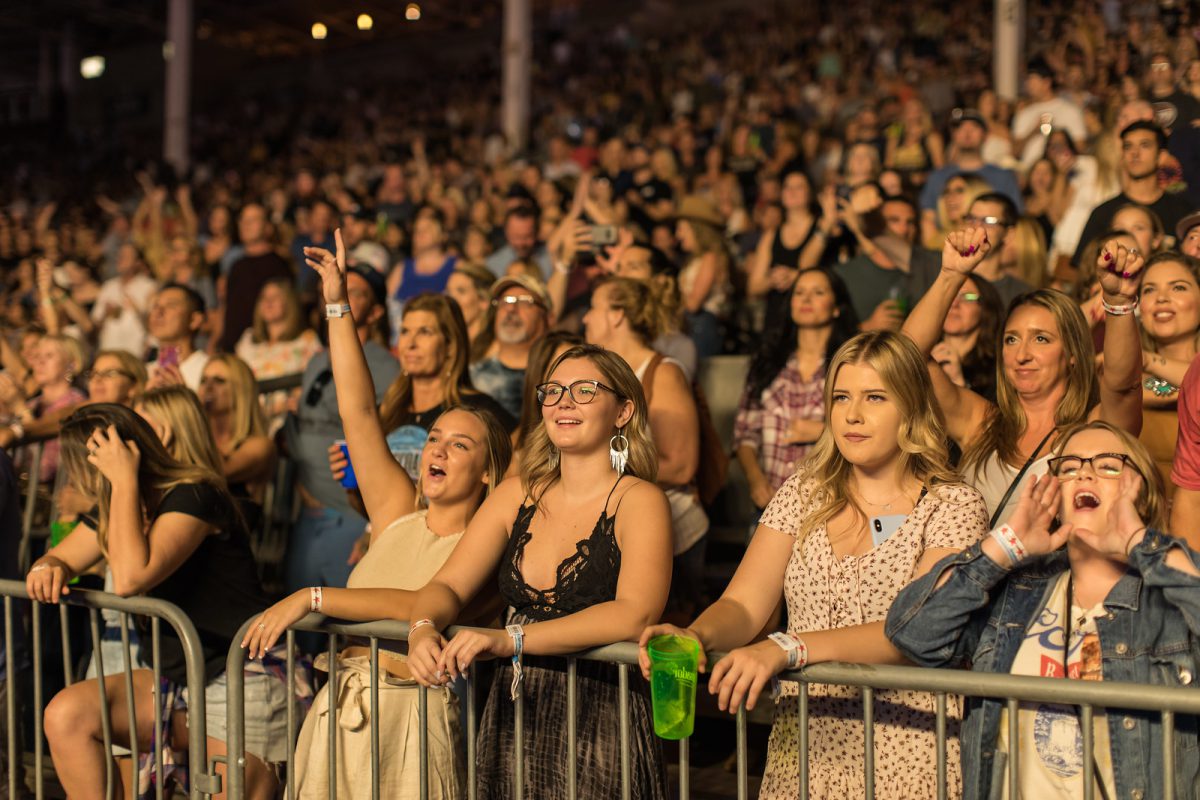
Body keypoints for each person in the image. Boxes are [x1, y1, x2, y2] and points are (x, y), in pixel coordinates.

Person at [639, 330, 989, 798]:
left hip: (907, 751)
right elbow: (744, 602)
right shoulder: (806, 490)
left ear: (911, 406)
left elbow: (919, 628)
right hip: (805, 749)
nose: (853, 414)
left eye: (875, 397)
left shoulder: (953, 506)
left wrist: (789, 647)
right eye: (841, 396)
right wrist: (696, 635)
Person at [241, 228, 512, 798]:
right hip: (339, 709)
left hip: (413, 721)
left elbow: (419, 606)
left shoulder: (485, 540)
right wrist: (338, 304)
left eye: (459, 445)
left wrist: (312, 599)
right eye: (435, 437)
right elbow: (359, 411)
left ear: (489, 472)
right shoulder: (396, 510)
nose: (437, 449)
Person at [405, 343, 672, 799]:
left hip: (600, 716)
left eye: (585, 391)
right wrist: (422, 627)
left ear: (624, 411)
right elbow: (448, 584)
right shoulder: (516, 494)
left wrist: (511, 639)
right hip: (516, 711)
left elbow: (635, 614)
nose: (564, 401)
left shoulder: (639, 500)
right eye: (553, 391)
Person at [886, 420, 1200, 800]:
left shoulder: (1165, 601)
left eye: (1108, 465)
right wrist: (1005, 546)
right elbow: (912, 631)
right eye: (1070, 467)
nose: (1085, 471)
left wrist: (1138, 541)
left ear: (1142, 493)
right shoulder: (1019, 591)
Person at [28, 404, 290, 800]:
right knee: (67, 715)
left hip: (240, 674)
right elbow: (61, 555)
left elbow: (132, 577)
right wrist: (50, 565)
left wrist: (123, 481)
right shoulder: (123, 504)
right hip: (178, 677)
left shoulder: (195, 492)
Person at [902, 226, 1144, 526]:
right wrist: (950, 274)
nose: (1022, 354)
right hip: (972, 570)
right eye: (1011, 339)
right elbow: (907, 357)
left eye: (1041, 339)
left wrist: (1119, 304)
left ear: (1071, 354)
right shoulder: (981, 423)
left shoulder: (1093, 428)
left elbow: (1123, 387)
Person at [583, 276, 709, 611]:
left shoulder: (662, 373)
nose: (585, 318)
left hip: (674, 532)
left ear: (617, 315)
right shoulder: (597, 374)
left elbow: (681, 466)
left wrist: (598, 473)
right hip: (620, 526)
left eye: (593, 308)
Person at [282, 247, 401, 600]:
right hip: (306, 513)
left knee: (340, 627)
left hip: (347, 512)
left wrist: (369, 525)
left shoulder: (385, 367)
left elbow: (386, 435)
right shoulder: (317, 360)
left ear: (377, 311)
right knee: (300, 637)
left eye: (357, 291)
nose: (345, 292)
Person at [734, 268, 860, 507]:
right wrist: (756, 481)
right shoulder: (768, 362)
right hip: (770, 501)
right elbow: (744, 434)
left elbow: (874, 429)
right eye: (799, 292)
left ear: (836, 307)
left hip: (831, 501)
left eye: (818, 292)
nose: (806, 299)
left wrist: (824, 432)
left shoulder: (850, 364)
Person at [1073, 122, 1192, 265]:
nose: (1134, 153)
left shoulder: (1183, 212)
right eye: (1128, 146)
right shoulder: (1103, 213)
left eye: (1145, 145)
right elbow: (1083, 267)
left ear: (1161, 156)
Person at [1134, 253, 1200, 499]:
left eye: (1178, 288)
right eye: (1149, 290)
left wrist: (1150, 360)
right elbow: (1134, 388)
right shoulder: (1131, 369)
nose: (1161, 298)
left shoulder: (1143, 363)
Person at [746, 168, 837, 333]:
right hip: (777, 319)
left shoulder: (825, 227)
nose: (792, 191)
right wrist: (773, 279)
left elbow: (814, 267)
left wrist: (794, 277)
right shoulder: (771, 235)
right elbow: (753, 286)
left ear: (810, 193)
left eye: (799, 187)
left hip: (813, 318)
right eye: (787, 186)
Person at [235, 278, 323, 429]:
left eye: (275, 297)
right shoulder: (248, 339)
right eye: (264, 297)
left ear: (289, 302)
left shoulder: (306, 341)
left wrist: (284, 405)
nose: (268, 302)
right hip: (249, 420)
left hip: (288, 422)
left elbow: (316, 380)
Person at [0, 334, 87, 483]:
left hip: (48, 498)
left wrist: (19, 408)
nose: (39, 361)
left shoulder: (76, 404)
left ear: (71, 364)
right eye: (37, 356)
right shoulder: (34, 404)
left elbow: (43, 469)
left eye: (49, 356)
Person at [468, 275, 552, 420]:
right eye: (504, 302)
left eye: (524, 302)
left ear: (547, 317)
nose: (511, 309)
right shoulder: (470, 374)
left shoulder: (556, 377)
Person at [920, 109, 1022, 222]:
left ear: (986, 135)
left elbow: (1015, 217)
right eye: (960, 128)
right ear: (953, 135)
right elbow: (927, 218)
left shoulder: (1003, 176)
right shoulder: (937, 177)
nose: (967, 133)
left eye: (974, 127)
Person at [218, 204, 292, 352]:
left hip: (263, 348)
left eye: (252, 220)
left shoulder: (278, 264)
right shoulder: (236, 265)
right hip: (233, 348)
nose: (245, 225)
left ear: (268, 227)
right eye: (243, 220)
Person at [387, 209, 458, 341]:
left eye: (427, 229)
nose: (420, 234)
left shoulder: (457, 266)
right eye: (417, 230)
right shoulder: (402, 268)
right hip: (401, 342)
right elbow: (388, 304)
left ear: (442, 235)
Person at [930, 276, 1003, 403]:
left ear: (985, 308)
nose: (954, 303)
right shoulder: (922, 351)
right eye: (951, 295)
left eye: (967, 297)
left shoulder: (997, 366)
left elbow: (993, 417)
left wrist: (958, 383)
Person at [676, 195, 732, 359]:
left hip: (701, 327)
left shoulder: (711, 258)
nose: (678, 235)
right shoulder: (695, 259)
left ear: (696, 229)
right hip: (693, 325)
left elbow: (693, 303)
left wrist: (668, 293)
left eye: (681, 228)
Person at [1012, 59, 1088, 171]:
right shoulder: (1023, 114)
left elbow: (1081, 148)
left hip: (1062, 173)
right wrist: (1033, 131)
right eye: (1027, 80)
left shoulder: (1070, 111)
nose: (1028, 85)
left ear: (1046, 83)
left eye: (1032, 80)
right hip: (1029, 173)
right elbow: (1015, 152)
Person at [91, 243, 158, 357]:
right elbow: (95, 324)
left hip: (135, 350)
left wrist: (136, 308)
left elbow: (154, 322)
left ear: (138, 262)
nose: (120, 259)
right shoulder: (108, 286)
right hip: (109, 348)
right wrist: (105, 314)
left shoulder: (149, 287)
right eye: (120, 255)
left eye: (126, 256)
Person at [145, 283, 209, 391]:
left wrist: (181, 397)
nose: (158, 312)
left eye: (171, 305)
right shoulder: (144, 372)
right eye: (155, 306)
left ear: (194, 320)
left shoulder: (209, 371)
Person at [484, 206, 552, 280]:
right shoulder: (494, 265)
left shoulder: (551, 260)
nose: (521, 243)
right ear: (506, 232)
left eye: (527, 236)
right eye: (516, 236)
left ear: (537, 232)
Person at [444, 262, 494, 350]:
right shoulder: (447, 346)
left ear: (484, 300)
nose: (450, 299)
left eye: (461, 291)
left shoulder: (496, 349)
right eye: (448, 292)